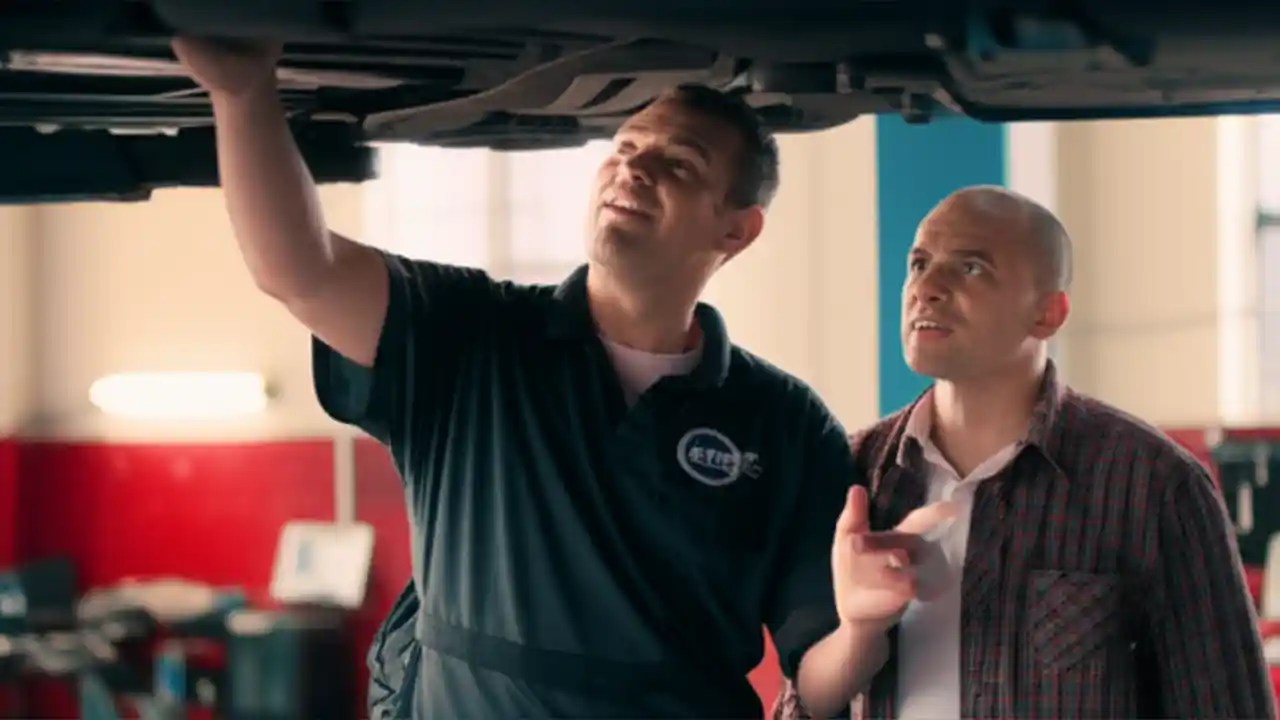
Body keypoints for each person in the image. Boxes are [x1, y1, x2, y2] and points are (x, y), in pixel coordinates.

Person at [171, 35, 881, 718]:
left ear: (737, 230)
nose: (634, 168)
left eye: (681, 164)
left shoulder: (781, 421)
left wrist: (863, 627)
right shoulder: (473, 338)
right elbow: (302, 269)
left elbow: (816, 684)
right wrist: (242, 94)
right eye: (627, 147)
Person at [773, 185, 1276, 719]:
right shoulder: (856, 475)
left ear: (1047, 314)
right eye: (919, 263)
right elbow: (799, 707)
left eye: (970, 268)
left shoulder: (1150, 484)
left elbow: (1227, 707)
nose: (926, 288)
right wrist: (859, 630)